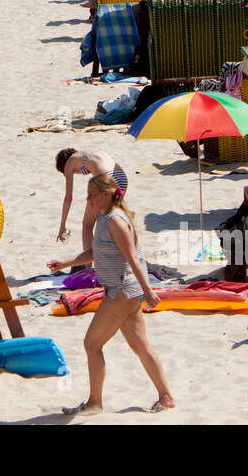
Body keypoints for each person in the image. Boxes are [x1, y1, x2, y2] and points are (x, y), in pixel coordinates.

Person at [47, 174, 173, 416]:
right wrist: (65, 263)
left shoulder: (115, 220)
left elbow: (132, 257)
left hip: (122, 291)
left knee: (92, 344)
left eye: (91, 195)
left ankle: (95, 403)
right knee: (140, 345)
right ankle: (166, 397)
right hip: (126, 290)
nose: (87, 199)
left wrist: (148, 291)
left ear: (106, 194)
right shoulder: (105, 217)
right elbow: (96, 251)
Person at [55, 148, 129, 247]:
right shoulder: (87, 153)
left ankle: (88, 262)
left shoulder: (69, 163)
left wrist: (62, 225)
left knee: (87, 225)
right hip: (121, 177)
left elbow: (68, 198)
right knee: (111, 219)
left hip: (106, 180)